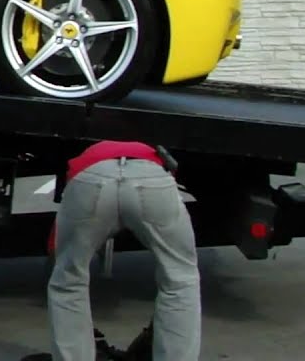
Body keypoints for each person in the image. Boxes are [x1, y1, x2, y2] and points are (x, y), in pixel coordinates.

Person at [43, 140, 201, 361]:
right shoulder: (153, 154)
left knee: (67, 281)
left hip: (90, 180)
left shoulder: (87, 156)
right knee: (180, 279)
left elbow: (57, 249)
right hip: (152, 182)